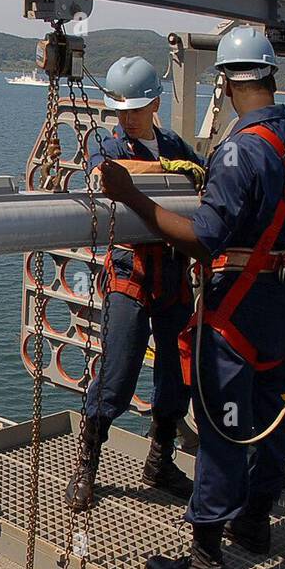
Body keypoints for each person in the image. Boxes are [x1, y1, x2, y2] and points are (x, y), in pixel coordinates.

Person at [98, 28, 285, 569]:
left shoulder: (239, 150)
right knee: (272, 413)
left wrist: (133, 198)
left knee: (223, 425)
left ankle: (205, 560)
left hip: (237, 307)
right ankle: (255, 522)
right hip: (284, 307)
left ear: (224, 83)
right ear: (270, 76)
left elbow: (203, 238)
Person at [66, 56, 205, 512]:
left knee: (177, 373)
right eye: (121, 111)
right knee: (118, 373)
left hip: (173, 271)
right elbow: (104, 175)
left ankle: (160, 460)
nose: (127, 119)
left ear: (155, 105)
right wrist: (170, 171)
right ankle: (87, 465)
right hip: (131, 271)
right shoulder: (109, 143)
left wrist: (171, 169)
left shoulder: (175, 144)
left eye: (135, 110)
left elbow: (204, 177)